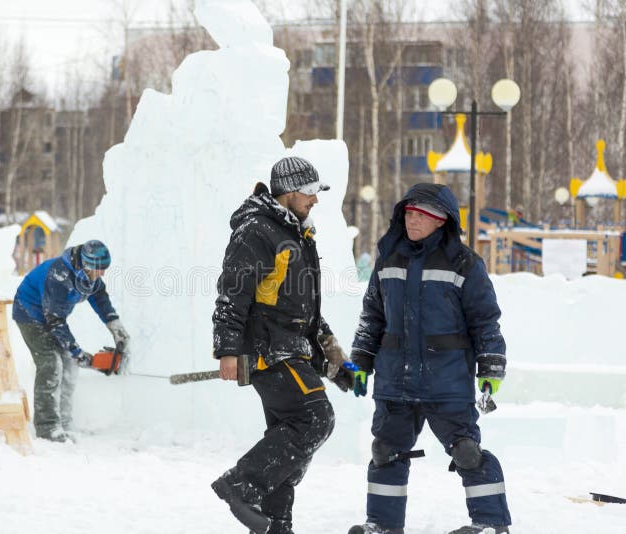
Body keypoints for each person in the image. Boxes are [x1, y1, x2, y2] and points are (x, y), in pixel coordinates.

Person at [347, 183, 511, 534]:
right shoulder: (389, 259)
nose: (413, 220)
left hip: (447, 381)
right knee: (385, 451)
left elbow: (485, 319)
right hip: (394, 380)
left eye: (422, 215)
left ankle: (490, 524)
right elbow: (372, 316)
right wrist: (359, 362)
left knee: (467, 451)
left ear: (441, 221)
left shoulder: (466, 263)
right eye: (409, 213)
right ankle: (382, 525)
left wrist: (491, 365)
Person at [211, 156, 354, 534]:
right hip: (268, 351)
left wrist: (337, 363)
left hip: (292, 348)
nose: (315, 200)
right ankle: (241, 484)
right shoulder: (257, 230)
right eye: (309, 193)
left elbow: (307, 313)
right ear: (288, 192)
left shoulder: (297, 233)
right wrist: (227, 350)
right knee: (315, 418)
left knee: (289, 440)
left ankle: (276, 523)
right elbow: (232, 293)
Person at [12, 239, 130, 443]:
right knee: (50, 363)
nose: (102, 274)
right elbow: (55, 321)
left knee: (69, 363)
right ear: (86, 264)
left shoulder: (88, 276)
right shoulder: (59, 277)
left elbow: (100, 298)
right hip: (29, 314)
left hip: (51, 317)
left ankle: (64, 421)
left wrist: (115, 326)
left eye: (105, 269)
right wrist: (77, 352)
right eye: (99, 269)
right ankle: (48, 428)